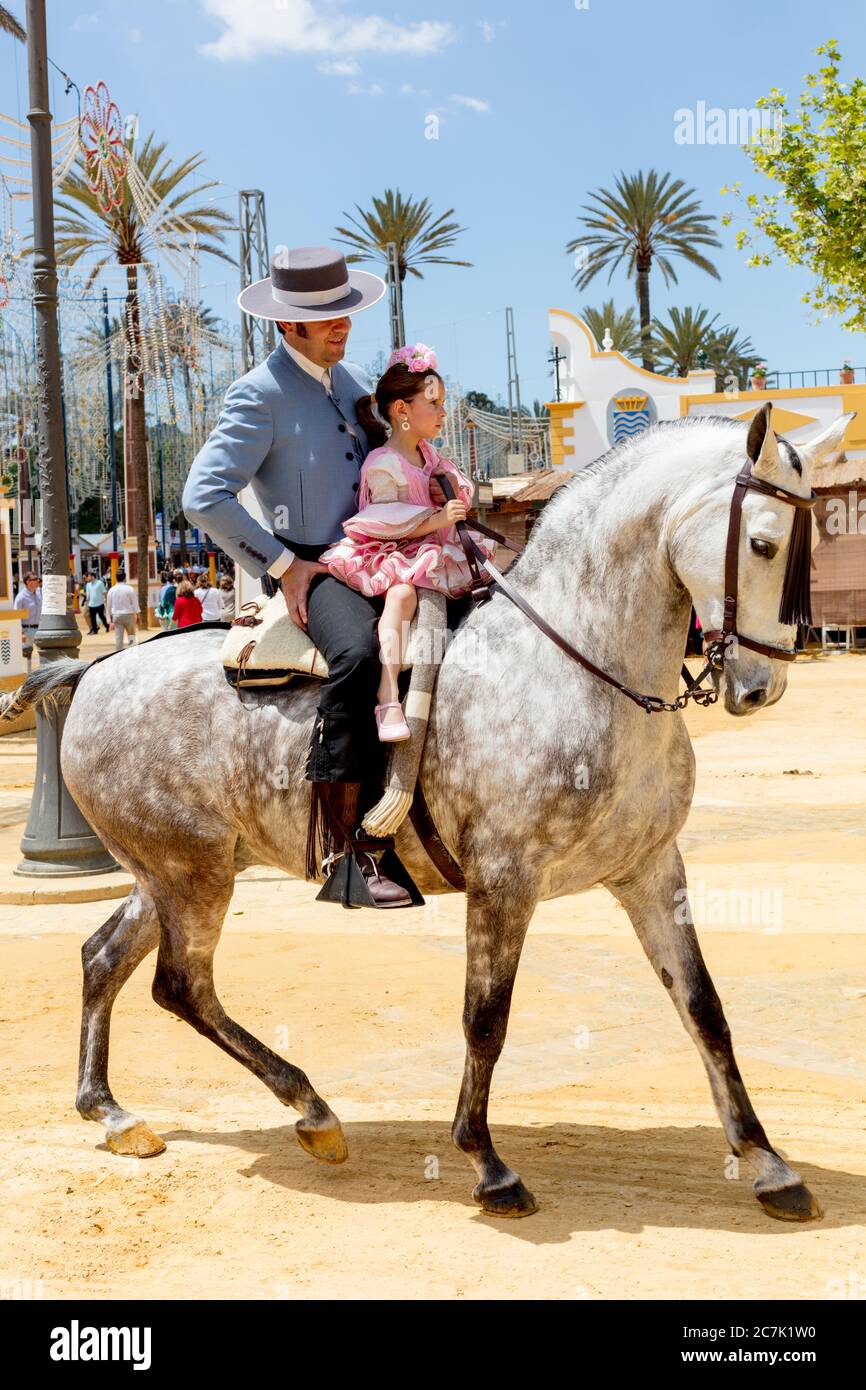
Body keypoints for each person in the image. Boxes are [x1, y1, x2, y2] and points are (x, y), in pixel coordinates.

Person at [183, 244, 472, 907]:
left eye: (345, 312)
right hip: (321, 566)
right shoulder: (258, 395)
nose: (342, 326)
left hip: (390, 553)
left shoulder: (350, 383)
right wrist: (284, 566)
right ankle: (349, 850)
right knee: (363, 654)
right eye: (325, 318)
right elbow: (203, 497)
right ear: (287, 326)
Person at [321, 345, 497, 740]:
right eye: (433, 404)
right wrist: (436, 518)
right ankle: (387, 696)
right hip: (395, 553)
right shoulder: (383, 464)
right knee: (401, 596)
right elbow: (381, 519)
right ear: (402, 410)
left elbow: (459, 483)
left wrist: (449, 489)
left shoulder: (428, 455)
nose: (442, 413)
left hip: (434, 551)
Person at [105, 569, 139, 650]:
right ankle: (132, 652)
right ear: (125, 578)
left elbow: (108, 605)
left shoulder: (111, 590)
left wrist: (108, 619)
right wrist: (138, 616)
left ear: (116, 578)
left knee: (118, 638)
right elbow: (135, 604)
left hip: (117, 616)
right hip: (129, 615)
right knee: (131, 637)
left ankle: (118, 655)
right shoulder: (130, 589)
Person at [14, 572, 41, 655]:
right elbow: (16, 616)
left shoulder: (39, 594)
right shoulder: (21, 597)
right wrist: (21, 633)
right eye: (35, 579)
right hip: (26, 631)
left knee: (44, 654)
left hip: (40, 630)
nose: (38, 580)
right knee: (27, 657)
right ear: (28, 582)